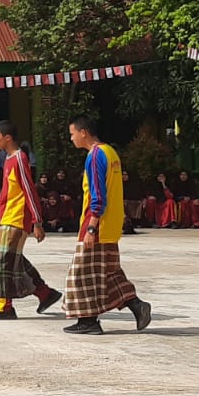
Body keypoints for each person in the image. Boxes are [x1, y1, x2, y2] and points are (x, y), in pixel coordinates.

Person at [63, 117, 152, 335]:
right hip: (111, 224)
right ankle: (137, 305)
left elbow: (98, 195)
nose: (71, 138)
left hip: (98, 223)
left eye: (72, 133)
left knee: (81, 274)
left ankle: (88, 322)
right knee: (108, 273)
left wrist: (92, 227)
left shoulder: (94, 156)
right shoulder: (110, 152)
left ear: (84, 132)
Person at [0, 120, 61, 320]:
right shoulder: (7, 160)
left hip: (17, 219)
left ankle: (4, 307)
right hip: (8, 216)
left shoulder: (19, 159)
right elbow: (7, 193)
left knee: (1, 261)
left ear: (7, 137)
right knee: (15, 260)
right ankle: (45, 293)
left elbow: (29, 190)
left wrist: (37, 222)